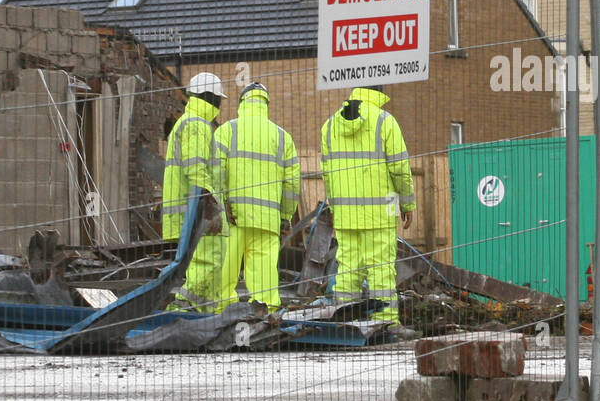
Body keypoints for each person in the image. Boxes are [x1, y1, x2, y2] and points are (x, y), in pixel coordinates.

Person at [320, 86, 415, 326]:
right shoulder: (385, 121)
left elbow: (327, 174)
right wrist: (407, 203)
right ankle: (386, 322)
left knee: (348, 269)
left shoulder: (329, 126)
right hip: (382, 210)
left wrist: (334, 206)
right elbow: (400, 169)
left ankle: (344, 320)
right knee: (381, 269)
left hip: (345, 211)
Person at [214, 82, 300, 311]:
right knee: (264, 279)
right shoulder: (283, 137)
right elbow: (292, 184)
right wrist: (285, 216)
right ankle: (265, 316)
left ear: (242, 103)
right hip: (267, 219)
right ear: (266, 104)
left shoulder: (227, 131)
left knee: (225, 273)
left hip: (232, 218)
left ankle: (222, 315)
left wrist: (222, 204)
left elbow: (216, 172)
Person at [163, 72, 228, 312]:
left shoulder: (188, 121)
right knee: (206, 263)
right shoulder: (197, 125)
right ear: (210, 97)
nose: (220, 107)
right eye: (219, 101)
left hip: (190, 210)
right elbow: (196, 169)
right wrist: (209, 206)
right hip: (198, 212)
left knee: (204, 266)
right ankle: (184, 311)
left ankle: (204, 316)